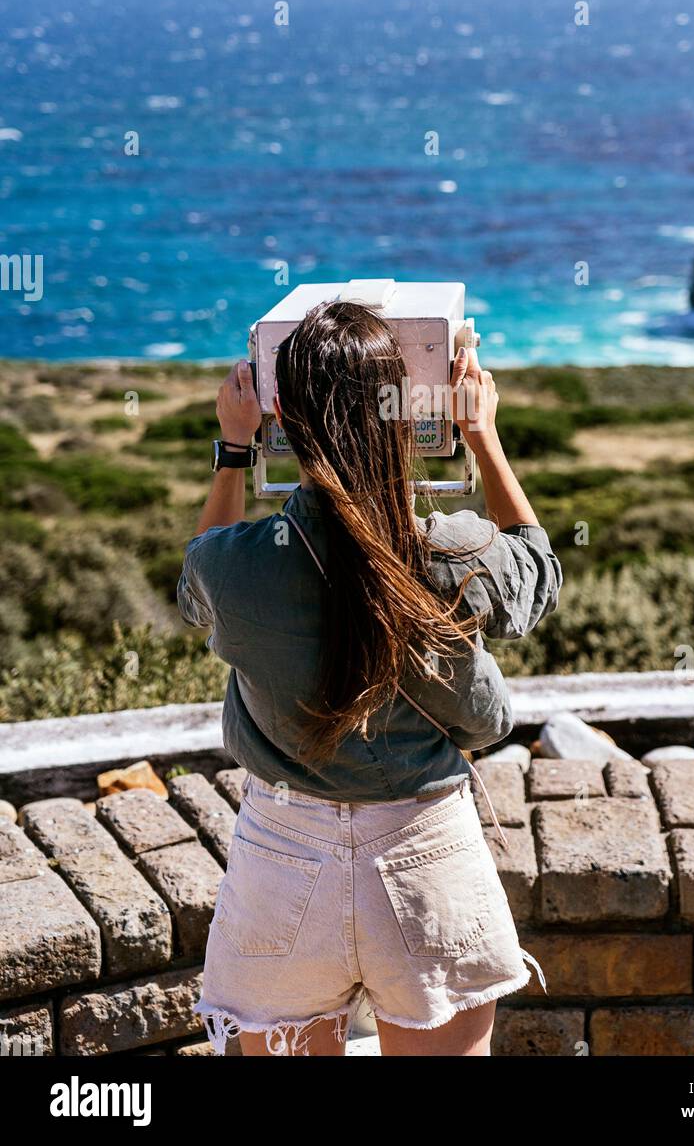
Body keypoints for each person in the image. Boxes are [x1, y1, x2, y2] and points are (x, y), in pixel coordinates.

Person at [177, 299, 563, 1057]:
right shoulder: (455, 552)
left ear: (282, 413)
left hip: (282, 859)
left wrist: (233, 449)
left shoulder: (237, 566)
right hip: (426, 854)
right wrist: (483, 437)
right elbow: (538, 575)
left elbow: (199, 582)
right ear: (411, 414)